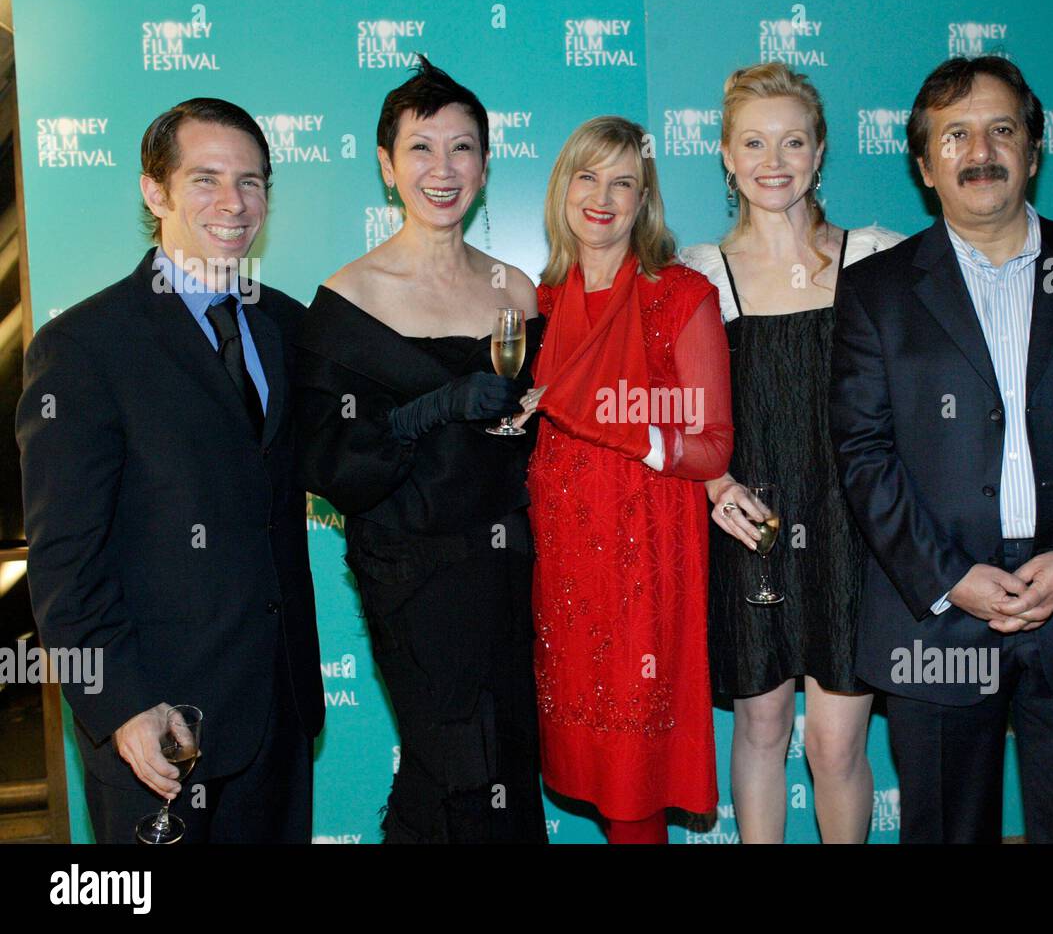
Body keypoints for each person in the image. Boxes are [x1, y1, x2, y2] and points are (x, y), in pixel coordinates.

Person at [830, 56, 1053, 843]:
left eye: (1001, 130)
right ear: (925, 165)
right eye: (954, 135)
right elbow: (863, 451)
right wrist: (951, 577)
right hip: (937, 620)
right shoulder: (875, 291)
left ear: (1032, 150)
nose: (979, 151)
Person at [17, 98, 323, 843]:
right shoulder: (83, 347)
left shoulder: (286, 324)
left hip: (278, 717)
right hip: (159, 728)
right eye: (206, 179)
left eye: (252, 182)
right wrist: (122, 704)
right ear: (154, 192)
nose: (234, 203)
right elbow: (63, 563)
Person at [293, 57, 546, 843]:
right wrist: (435, 406)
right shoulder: (346, 300)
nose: (444, 169)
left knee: (507, 761)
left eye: (462, 148)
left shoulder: (516, 289)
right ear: (386, 165)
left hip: (508, 560)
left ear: (485, 162)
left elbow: (515, 432)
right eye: (422, 149)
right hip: (413, 571)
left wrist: (514, 423)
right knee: (453, 762)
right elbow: (334, 465)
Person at [680, 62, 901, 844]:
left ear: (819, 152)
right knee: (763, 727)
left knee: (837, 742)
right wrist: (712, 486)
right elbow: (672, 413)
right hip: (752, 529)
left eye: (793, 141)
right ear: (727, 156)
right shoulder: (694, 274)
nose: (774, 160)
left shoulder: (877, 255)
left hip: (854, 531)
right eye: (753, 142)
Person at [515, 115, 733, 844]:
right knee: (599, 774)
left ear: (646, 201)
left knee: (634, 775)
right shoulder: (537, 306)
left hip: (644, 567)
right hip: (567, 570)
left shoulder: (679, 297)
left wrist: (611, 422)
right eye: (588, 176)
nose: (602, 197)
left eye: (624, 182)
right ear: (562, 188)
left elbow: (711, 447)